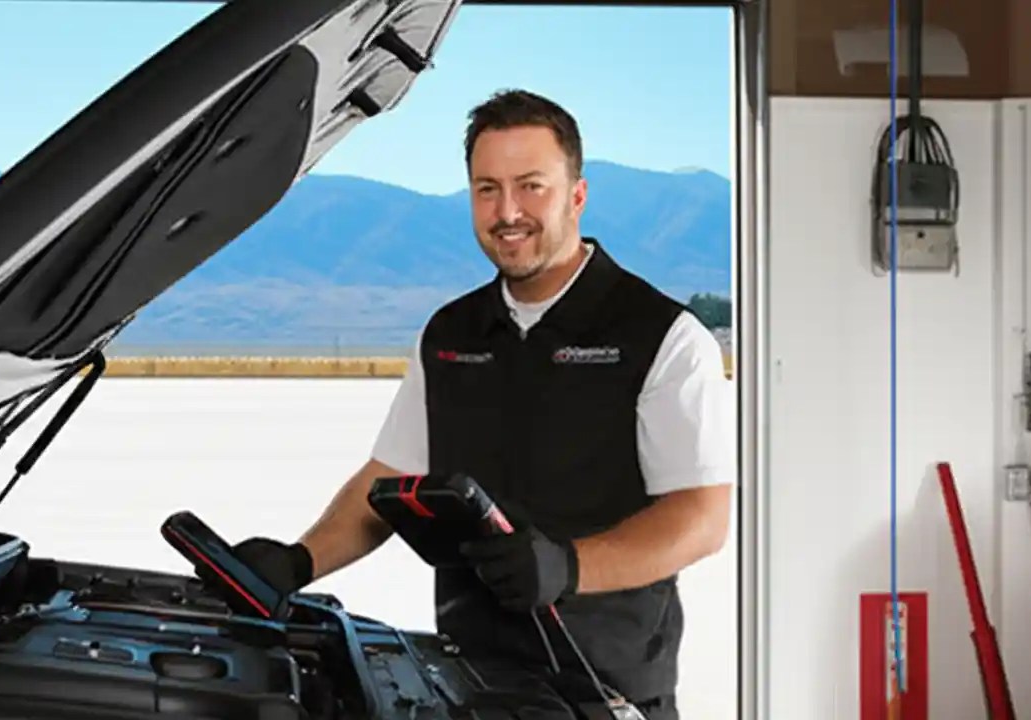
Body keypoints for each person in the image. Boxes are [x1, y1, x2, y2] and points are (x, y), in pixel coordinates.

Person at [221, 89, 734, 719]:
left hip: (607, 697)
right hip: (468, 687)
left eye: (531, 186)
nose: (507, 211)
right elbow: (389, 479)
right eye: (487, 188)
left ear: (577, 195)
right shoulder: (450, 334)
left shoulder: (661, 337)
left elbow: (702, 517)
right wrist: (299, 561)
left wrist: (568, 568)